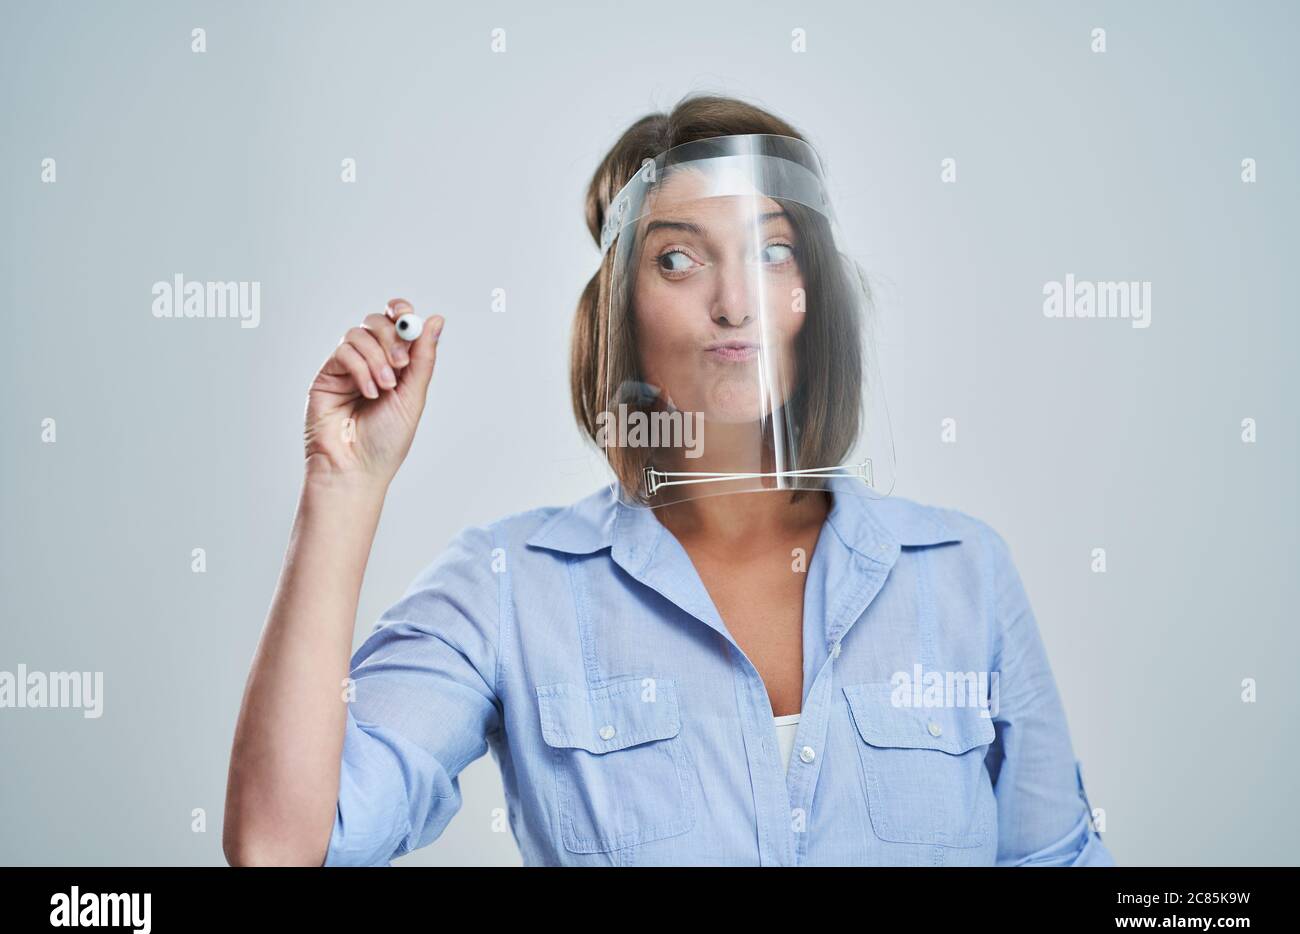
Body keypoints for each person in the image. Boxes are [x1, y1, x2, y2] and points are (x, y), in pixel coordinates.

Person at [222, 93, 1114, 867]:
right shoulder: (509, 588)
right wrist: (343, 486)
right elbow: (282, 846)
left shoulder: (963, 574)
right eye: (679, 259)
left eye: (771, 253)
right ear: (619, 310)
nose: (735, 302)